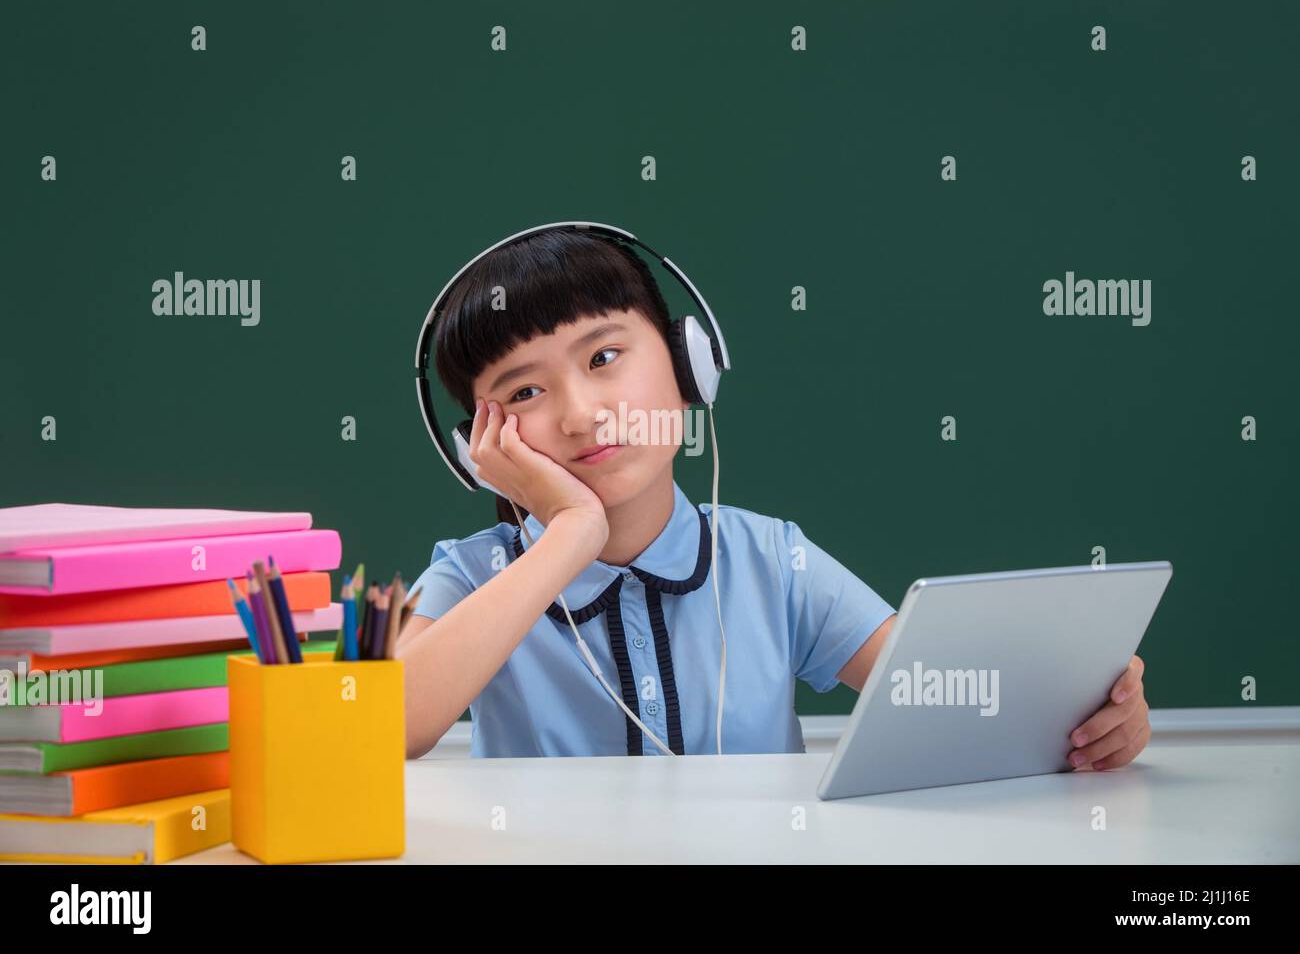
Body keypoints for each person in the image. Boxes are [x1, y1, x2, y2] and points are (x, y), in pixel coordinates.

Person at [398, 230, 1150, 765]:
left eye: (604, 356)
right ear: (480, 447)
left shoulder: (769, 559)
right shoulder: (473, 576)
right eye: (524, 390)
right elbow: (390, 727)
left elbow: (945, 697)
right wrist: (569, 534)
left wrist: (1094, 716)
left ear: (690, 365)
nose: (580, 412)